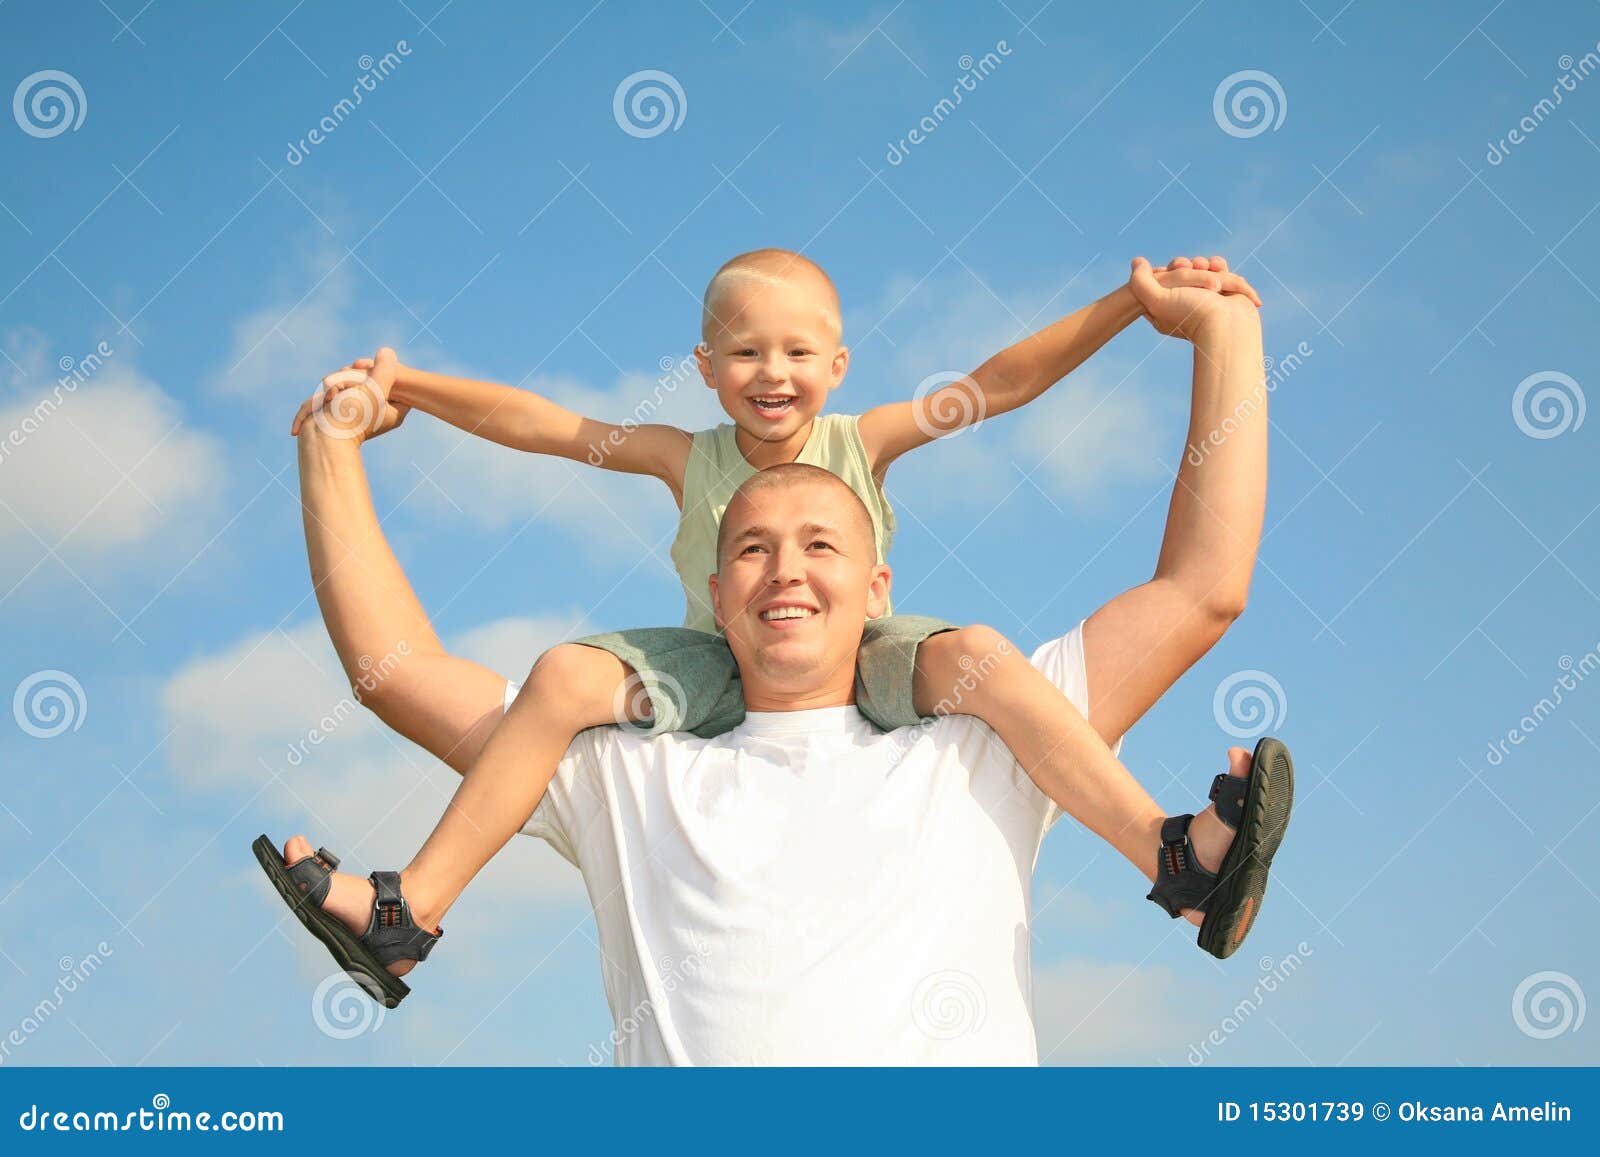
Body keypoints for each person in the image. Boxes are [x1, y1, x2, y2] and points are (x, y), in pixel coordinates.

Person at [256, 253, 1291, 1062]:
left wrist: (1210, 325)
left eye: (822, 544)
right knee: (563, 673)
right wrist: (344, 433)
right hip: (693, 698)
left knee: (978, 653)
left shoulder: (994, 731)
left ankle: (1171, 854)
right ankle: (408, 910)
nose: (784, 568)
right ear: (713, 589)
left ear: (879, 584)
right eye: (748, 545)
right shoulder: (624, 763)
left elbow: (1198, 583)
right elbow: (399, 658)